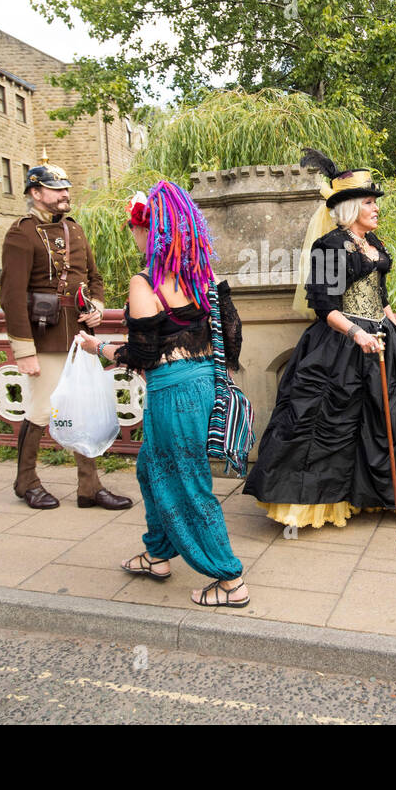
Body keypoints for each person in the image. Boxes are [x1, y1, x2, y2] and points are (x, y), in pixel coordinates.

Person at [241, 150, 396, 529]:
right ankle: (312, 503)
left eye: (375, 202)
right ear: (348, 208)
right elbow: (324, 307)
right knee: (328, 424)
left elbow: (381, 296)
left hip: (382, 339)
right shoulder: (329, 247)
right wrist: (358, 333)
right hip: (342, 344)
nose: (376, 208)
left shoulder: (374, 244)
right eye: (369, 202)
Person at [78, 183, 249, 607]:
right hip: (204, 382)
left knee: (188, 483)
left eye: (134, 228)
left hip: (172, 393)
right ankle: (157, 555)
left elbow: (141, 355)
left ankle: (230, 579)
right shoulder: (203, 278)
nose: (132, 236)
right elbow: (233, 336)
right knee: (151, 468)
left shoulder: (145, 283)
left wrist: (95, 347)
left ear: (147, 231)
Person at [0, 163, 132, 511]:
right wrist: (23, 350)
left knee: (82, 409)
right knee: (43, 409)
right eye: (55, 189)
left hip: (81, 334)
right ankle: (25, 481)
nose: (64, 194)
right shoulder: (21, 234)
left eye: (65, 188)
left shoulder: (76, 229)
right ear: (35, 193)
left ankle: (89, 487)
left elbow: (95, 277)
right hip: (44, 336)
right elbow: (11, 296)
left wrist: (99, 308)